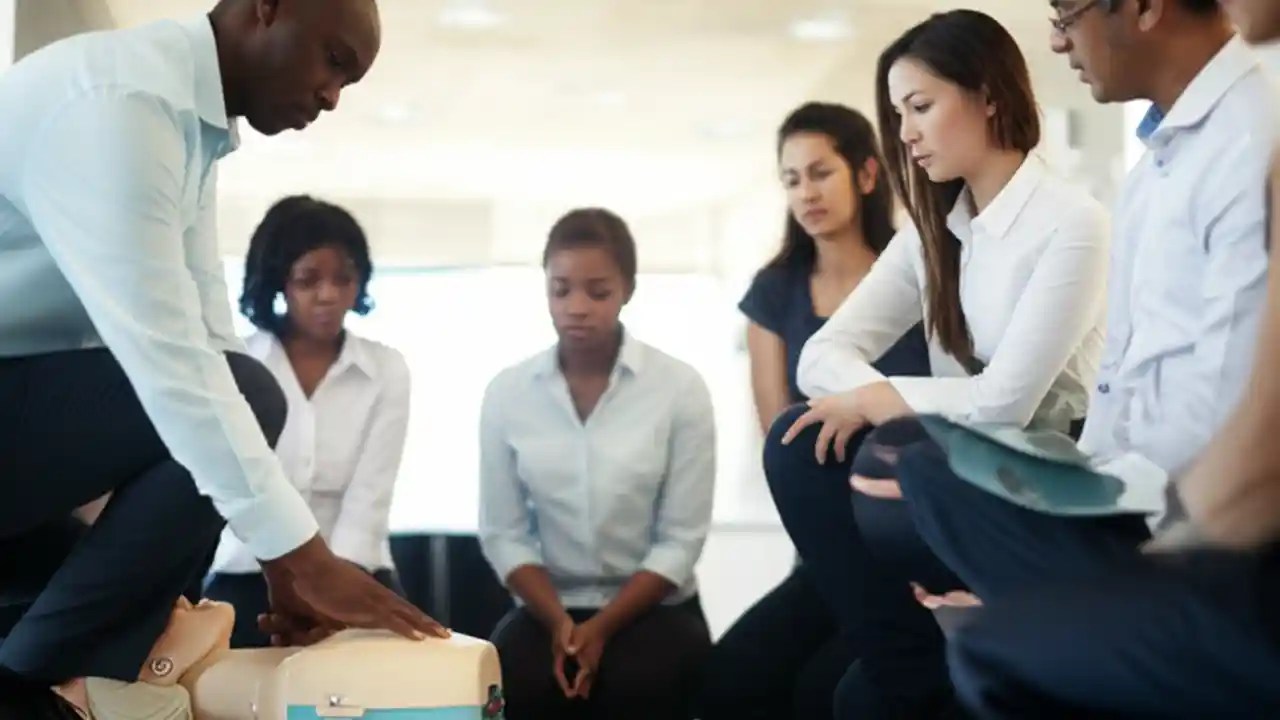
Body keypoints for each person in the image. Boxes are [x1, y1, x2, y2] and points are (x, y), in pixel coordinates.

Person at [0, 0, 443, 714]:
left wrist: (283, 560)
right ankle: (32, 691)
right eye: (334, 62)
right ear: (267, 8)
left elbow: (208, 333)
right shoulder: (122, 104)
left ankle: (54, 672)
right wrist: (302, 556)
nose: (332, 97)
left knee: (88, 578)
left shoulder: (186, 124)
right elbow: (171, 360)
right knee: (245, 395)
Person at [922, 0, 1280, 715]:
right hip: (1143, 496)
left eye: (1066, 13)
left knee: (981, 647)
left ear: (1145, 8)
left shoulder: (1253, 137)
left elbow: (1227, 413)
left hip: (1199, 523)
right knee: (921, 469)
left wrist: (1125, 550)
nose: (1056, 41)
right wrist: (1075, 487)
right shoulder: (1152, 171)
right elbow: (1120, 378)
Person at [761, 9, 1112, 718]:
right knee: (797, 445)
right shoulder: (934, 235)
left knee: (860, 697)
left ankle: (908, 667)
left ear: (987, 95)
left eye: (920, 106)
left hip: (1043, 483)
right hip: (953, 468)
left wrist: (875, 400)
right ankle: (910, 658)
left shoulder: (1072, 222)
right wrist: (875, 400)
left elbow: (1006, 403)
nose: (906, 133)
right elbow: (821, 355)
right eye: (897, 114)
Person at [699, 102, 930, 720]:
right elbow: (784, 435)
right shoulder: (774, 292)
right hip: (825, 546)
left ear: (867, 174)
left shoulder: (921, 273)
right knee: (730, 685)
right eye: (792, 178)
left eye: (821, 172)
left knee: (829, 695)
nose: (807, 192)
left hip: (912, 538)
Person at [478, 208, 715, 720]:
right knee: (508, 677)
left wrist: (599, 630)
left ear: (628, 289)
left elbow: (681, 541)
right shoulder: (508, 394)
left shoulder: (679, 389)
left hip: (654, 609)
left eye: (598, 291)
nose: (577, 307)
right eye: (561, 290)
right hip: (545, 607)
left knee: (638, 686)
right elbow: (503, 533)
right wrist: (563, 625)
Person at [204, 195, 412, 648]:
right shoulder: (237, 366)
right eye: (308, 280)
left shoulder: (387, 369)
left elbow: (369, 501)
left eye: (344, 279)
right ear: (280, 282)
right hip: (247, 575)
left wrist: (331, 594)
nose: (328, 295)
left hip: (357, 572)